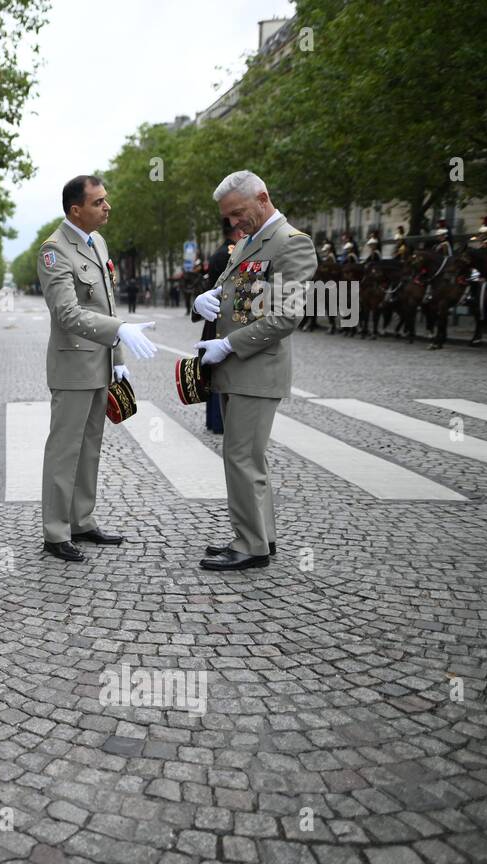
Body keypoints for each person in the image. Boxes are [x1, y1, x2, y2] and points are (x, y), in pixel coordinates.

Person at [191, 170, 316, 571]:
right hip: (238, 371)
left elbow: (285, 318)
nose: (233, 223)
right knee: (248, 458)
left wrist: (228, 344)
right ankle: (262, 535)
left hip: (256, 370)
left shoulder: (292, 244)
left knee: (240, 456)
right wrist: (206, 300)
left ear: (263, 197)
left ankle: (250, 546)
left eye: (238, 213)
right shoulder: (250, 241)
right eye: (228, 217)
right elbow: (242, 299)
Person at [35, 174, 158, 562]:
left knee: (90, 447)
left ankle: (81, 521)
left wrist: (117, 358)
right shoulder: (54, 251)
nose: (107, 207)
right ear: (76, 209)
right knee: (64, 449)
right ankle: (55, 532)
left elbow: (106, 305)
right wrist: (120, 331)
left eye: (106, 200)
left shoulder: (97, 241)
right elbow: (68, 313)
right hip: (73, 365)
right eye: (99, 202)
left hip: (100, 364)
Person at [200, 218, 244, 434]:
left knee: (213, 371)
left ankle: (212, 420)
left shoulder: (218, 252)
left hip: (212, 319)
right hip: (225, 321)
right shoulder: (232, 252)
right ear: (236, 230)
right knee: (224, 372)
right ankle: (219, 422)